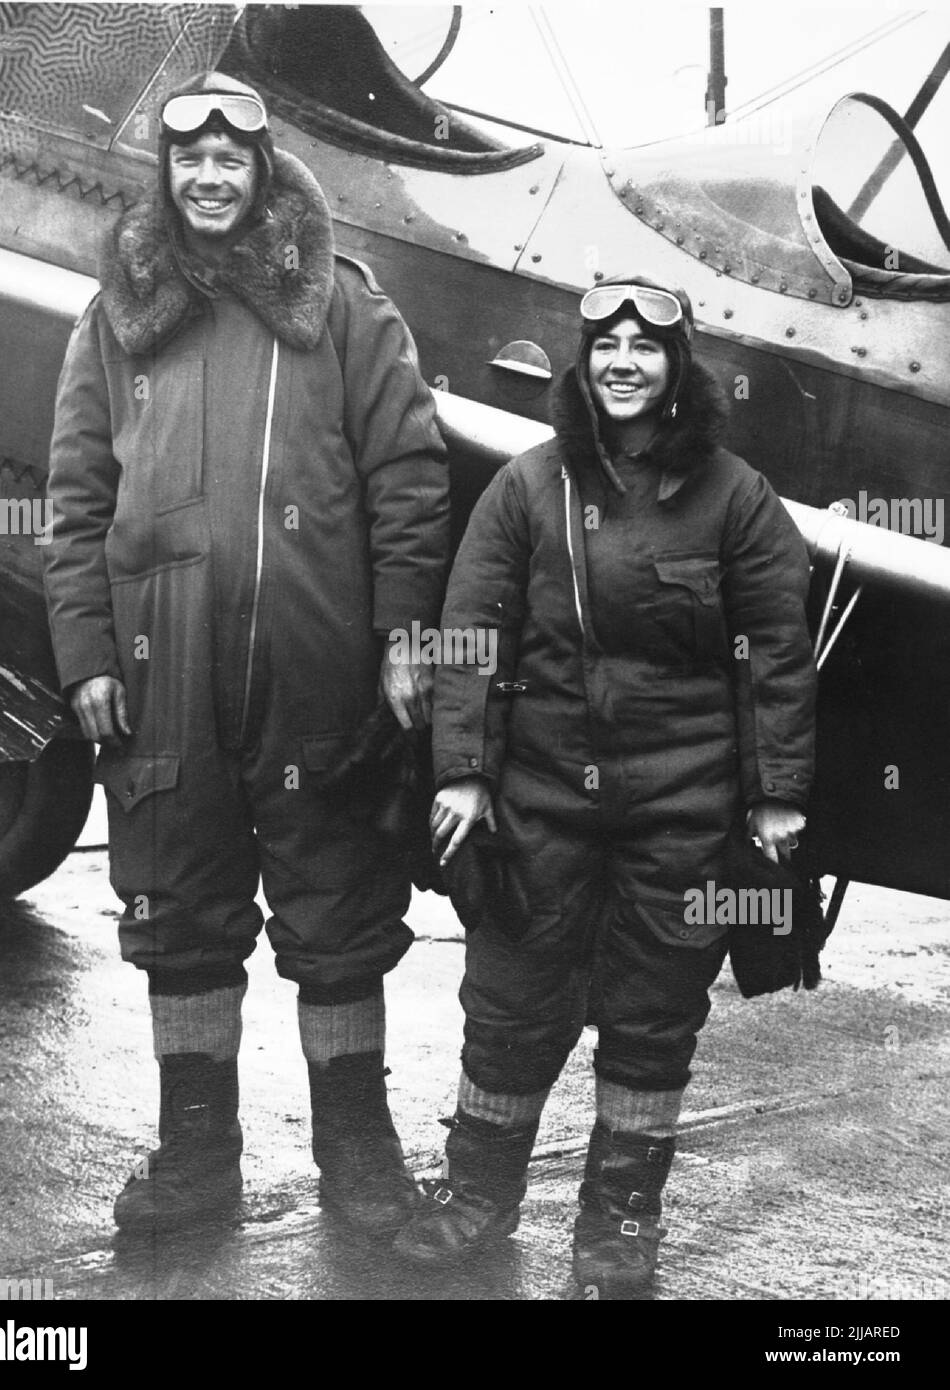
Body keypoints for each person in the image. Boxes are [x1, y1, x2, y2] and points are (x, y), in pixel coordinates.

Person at [43, 72, 449, 1239]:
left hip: (317, 674)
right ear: (165, 177)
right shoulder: (114, 321)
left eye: (231, 161)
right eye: (190, 163)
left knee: (338, 906)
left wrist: (404, 632)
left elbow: (411, 479)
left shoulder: (349, 312)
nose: (210, 179)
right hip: (161, 675)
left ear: (262, 172)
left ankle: (362, 1158)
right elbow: (75, 500)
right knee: (180, 907)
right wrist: (86, 657)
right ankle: (195, 1156)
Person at [393, 272, 816, 1296]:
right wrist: (461, 772)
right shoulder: (528, 487)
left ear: (679, 370)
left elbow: (776, 653)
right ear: (585, 366)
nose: (626, 361)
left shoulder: (736, 497)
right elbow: (470, 634)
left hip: (682, 812)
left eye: (648, 347)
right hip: (540, 803)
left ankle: (620, 1224)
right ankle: (480, 1198)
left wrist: (776, 792)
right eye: (608, 346)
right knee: (509, 1000)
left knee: (652, 1010)